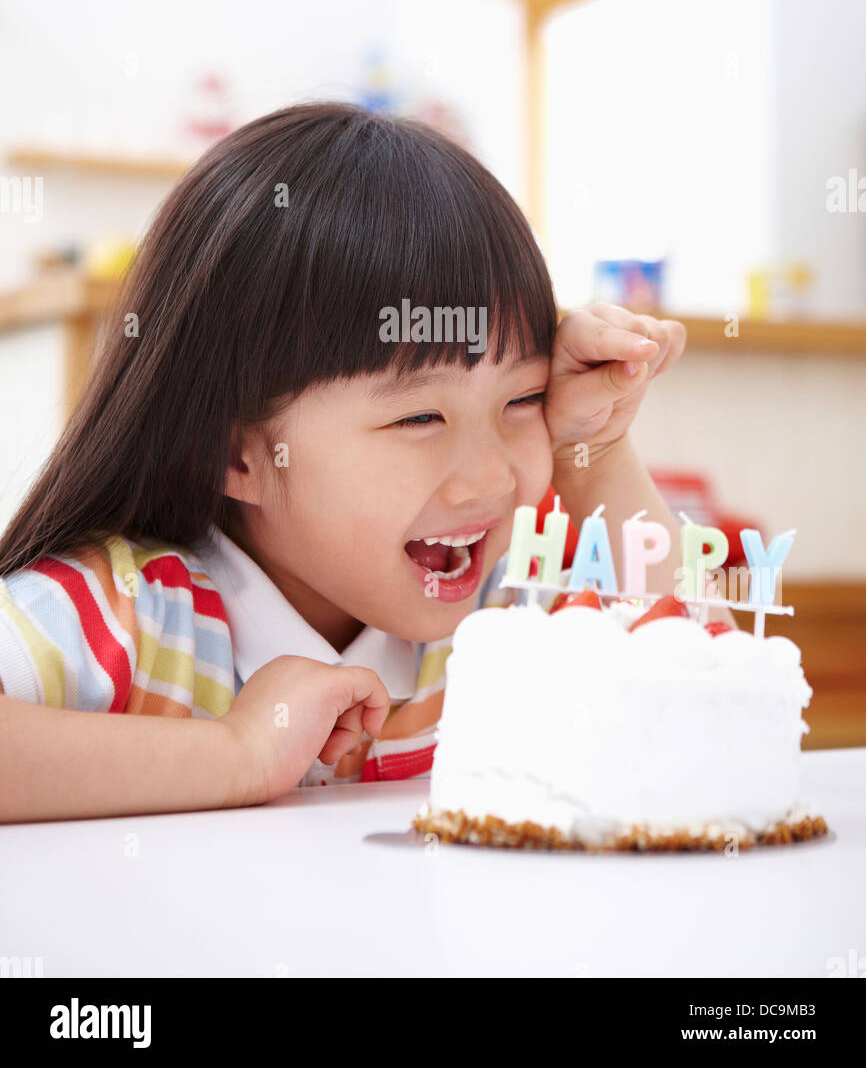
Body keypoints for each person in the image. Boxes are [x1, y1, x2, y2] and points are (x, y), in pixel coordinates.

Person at [0, 102, 730, 822]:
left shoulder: (508, 611)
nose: (494, 479)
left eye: (523, 399)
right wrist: (237, 754)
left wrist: (593, 453)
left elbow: (712, 707)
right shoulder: (126, 613)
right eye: (419, 417)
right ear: (234, 453)